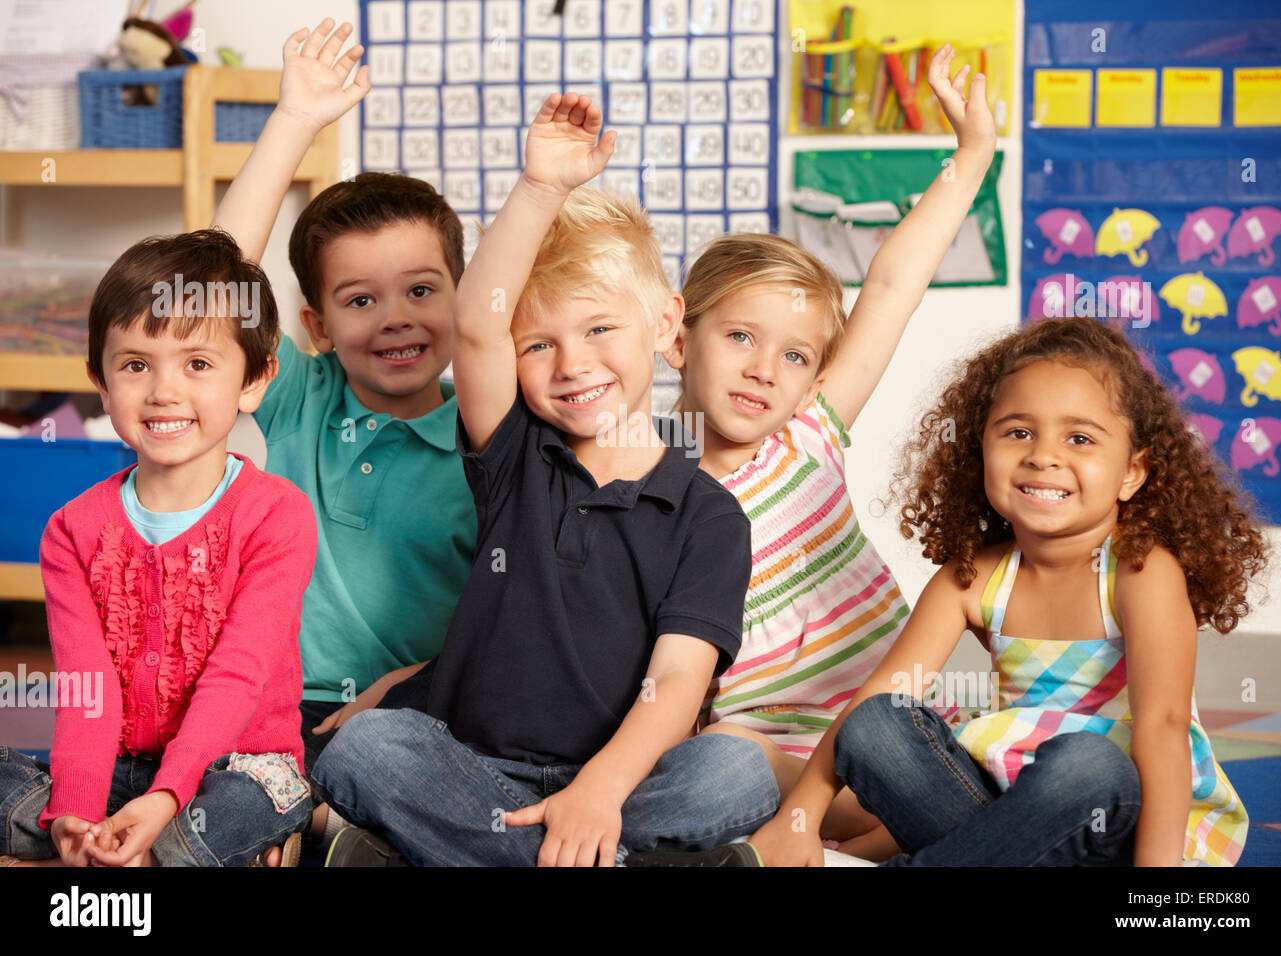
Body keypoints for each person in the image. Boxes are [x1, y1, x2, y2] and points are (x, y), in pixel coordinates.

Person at [311, 92, 779, 866]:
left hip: (625, 782)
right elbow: (475, 323)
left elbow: (679, 679)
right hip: (475, 770)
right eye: (539, 346)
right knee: (366, 748)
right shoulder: (517, 453)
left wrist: (597, 791)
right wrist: (540, 187)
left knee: (736, 771)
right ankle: (595, 859)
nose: (573, 365)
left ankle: (499, 851)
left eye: (600, 328)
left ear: (666, 326)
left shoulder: (708, 516)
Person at [743, 316, 1266, 866]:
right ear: (981, 448)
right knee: (876, 724)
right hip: (1011, 826)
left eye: (1080, 438)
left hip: (1115, 829)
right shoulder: (973, 576)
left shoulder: (1140, 571)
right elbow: (876, 701)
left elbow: (1162, 727)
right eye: (1018, 432)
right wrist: (795, 818)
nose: (1043, 455)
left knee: (1087, 763)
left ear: (1132, 473)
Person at [661, 43, 994, 859]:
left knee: (988, 775)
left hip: (893, 729)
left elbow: (889, 287)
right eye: (740, 335)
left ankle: (847, 844)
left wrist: (971, 154)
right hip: (767, 748)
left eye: (795, 355)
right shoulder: (649, 487)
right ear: (678, 335)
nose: (763, 369)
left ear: (814, 380)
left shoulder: (810, 433)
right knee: (718, 759)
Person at [209, 20, 476, 813]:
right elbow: (214, 278)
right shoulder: (297, 393)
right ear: (317, 326)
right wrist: (295, 119)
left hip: (419, 716)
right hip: (271, 709)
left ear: (464, 301)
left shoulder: (489, 440)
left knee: (377, 775)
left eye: (422, 290)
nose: (396, 318)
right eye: (361, 300)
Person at [0, 230, 316, 867]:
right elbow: (88, 688)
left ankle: (147, 852)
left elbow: (237, 676)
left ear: (254, 381)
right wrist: (79, 811)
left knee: (258, 801)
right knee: (38, 787)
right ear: (100, 380)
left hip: (240, 768)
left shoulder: (277, 515)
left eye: (197, 364)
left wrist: (170, 796)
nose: (163, 391)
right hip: (122, 770)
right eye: (136, 364)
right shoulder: (70, 530)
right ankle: (109, 847)